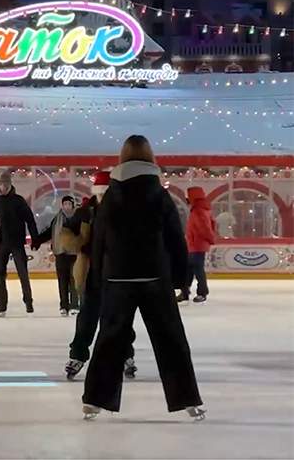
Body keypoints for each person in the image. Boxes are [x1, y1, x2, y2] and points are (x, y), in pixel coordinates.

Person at [82, 135, 205, 421]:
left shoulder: (111, 196)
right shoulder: (160, 195)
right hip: (154, 278)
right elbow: (176, 239)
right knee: (171, 340)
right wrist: (181, 279)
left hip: (117, 280)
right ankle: (189, 401)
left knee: (109, 341)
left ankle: (94, 401)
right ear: (150, 158)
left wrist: (98, 277)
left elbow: (99, 240)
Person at [63, 172, 137, 380]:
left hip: (118, 274)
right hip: (93, 274)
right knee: (87, 318)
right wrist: (76, 241)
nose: (104, 197)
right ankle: (77, 355)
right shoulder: (86, 212)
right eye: (101, 193)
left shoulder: (123, 211)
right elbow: (67, 231)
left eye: (108, 193)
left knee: (120, 318)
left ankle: (126, 354)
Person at [0, 170, 38, 315]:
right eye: (1, 184)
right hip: (0, 243)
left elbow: (30, 219)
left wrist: (35, 238)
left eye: (6, 184)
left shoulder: (18, 201)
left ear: (10, 185)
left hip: (16, 242)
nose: (4, 187)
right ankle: (2, 304)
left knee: (23, 273)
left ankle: (28, 302)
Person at [34, 195, 80, 316]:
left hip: (74, 253)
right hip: (60, 253)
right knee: (62, 281)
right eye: (64, 204)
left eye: (69, 204)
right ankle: (63, 305)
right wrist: (37, 240)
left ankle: (75, 304)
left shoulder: (78, 218)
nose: (67, 207)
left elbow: (82, 233)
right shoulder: (57, 219)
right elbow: (49, 232)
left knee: (74, 280)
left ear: (73, 205)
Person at [178, 187, 215, 304]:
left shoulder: (199, 210)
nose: (187, 200)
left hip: (197, 245)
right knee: (188, 269)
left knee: (197, 269)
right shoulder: (199, 209)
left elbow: (204, 228)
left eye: (188, 197)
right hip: (193, 244)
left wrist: (210, 239)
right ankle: (185, 291)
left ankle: (202, 292)